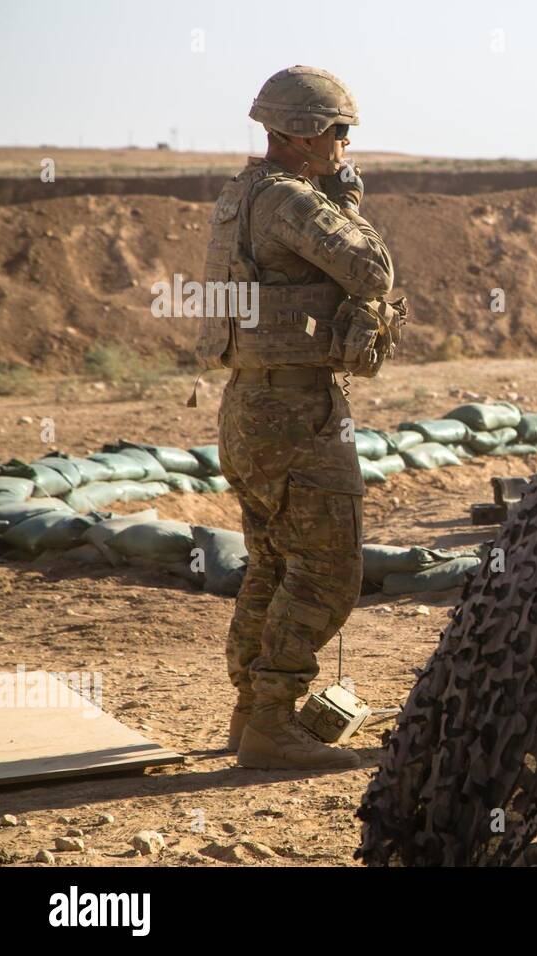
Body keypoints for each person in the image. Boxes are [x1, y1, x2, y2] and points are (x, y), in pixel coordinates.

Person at [197, 66, 396, 769]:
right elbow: (372, 270)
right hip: (296, 412)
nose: (344, 144)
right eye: (339, 132)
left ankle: (251, 713)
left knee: (273, 565)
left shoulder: (239, 195)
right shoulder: (292, 201)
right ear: (307, 135)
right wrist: (349, 201)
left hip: (250, 404)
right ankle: (274, 723)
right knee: (328, 572)